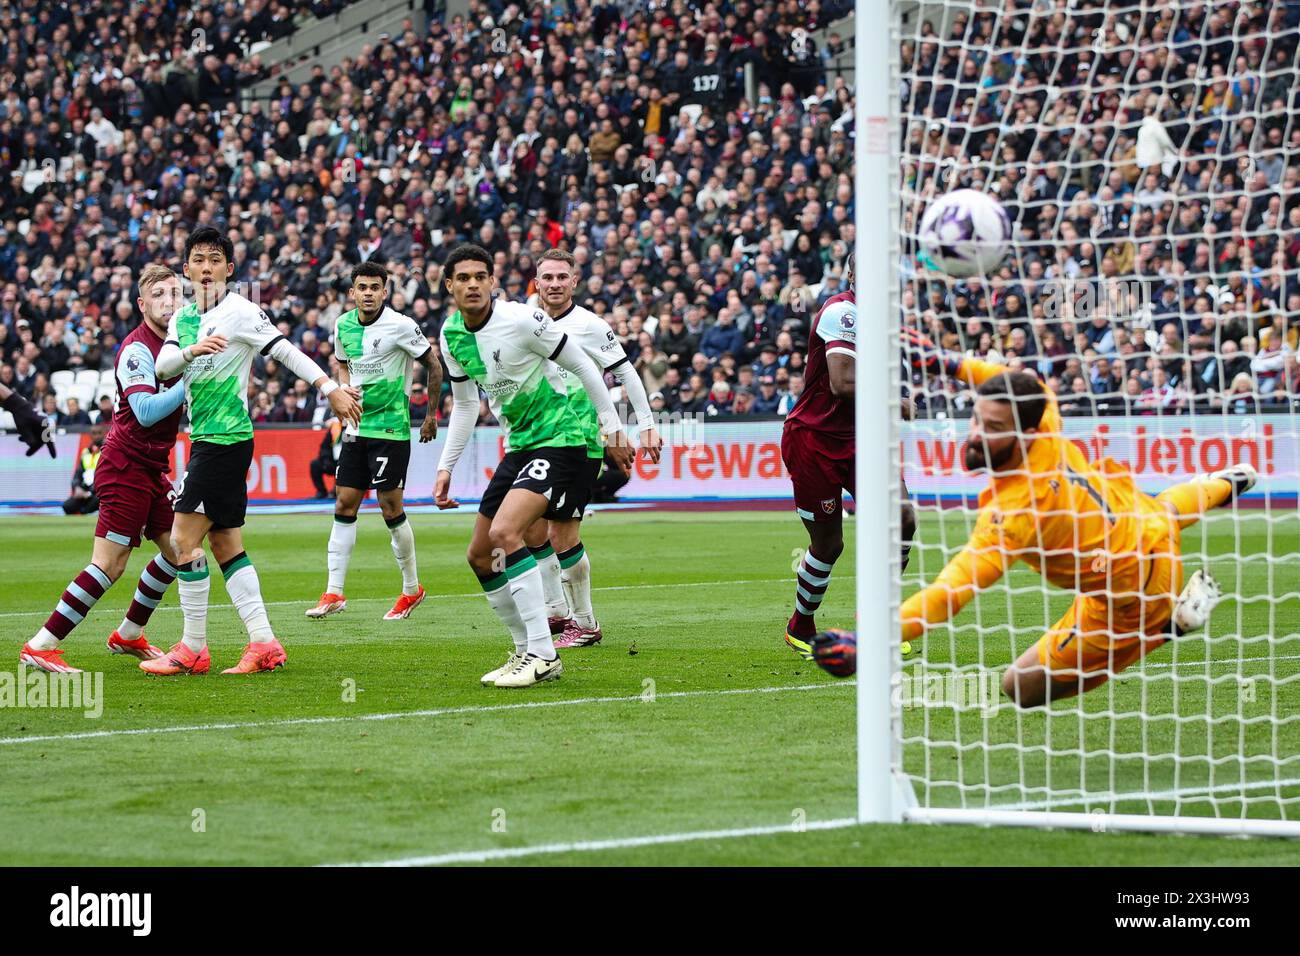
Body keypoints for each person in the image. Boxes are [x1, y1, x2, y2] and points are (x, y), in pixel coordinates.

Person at [894, 330, 1250, 706]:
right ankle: (1225, 484)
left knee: (1019, 687)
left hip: (1132, 599)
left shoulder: (1015, 514)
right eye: (977, 420)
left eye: (994, 428)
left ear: (1026, 435)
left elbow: (947, 594)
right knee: (1164, 511)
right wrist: (945, 362)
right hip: (1140, 521)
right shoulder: (1043, 417)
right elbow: (1005, 378)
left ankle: (1168, 626)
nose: (976, 435)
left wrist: (874, 636)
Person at [142, 227, 361, 676]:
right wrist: (192, 351)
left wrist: (330, 388)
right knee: (225, 544)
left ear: (229, 269)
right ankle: (264, 642)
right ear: (186, 270)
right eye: (198, 260)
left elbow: (286, 352)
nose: (206, 268)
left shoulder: (241, 311)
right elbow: (162, 367)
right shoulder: (183, 319)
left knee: (182, 541)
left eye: (215, 260)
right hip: (207, 439)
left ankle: (192, 648)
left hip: (225, 441)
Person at [433, 244, 633, 688]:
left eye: (480, 276)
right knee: (480, 556)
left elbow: (583, 366)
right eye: (463, 278)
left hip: (561, 440)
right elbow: (465, 405)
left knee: (508, 533)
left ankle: (544, 654)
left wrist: (613, 429)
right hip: (520, 446)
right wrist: (446, 466)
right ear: (449, 286)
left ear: (492, 281)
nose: (472, 285)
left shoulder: (523, 319)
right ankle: (525, 649)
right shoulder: (451, 335)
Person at [19, 265, 195, 673]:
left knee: (180, 550)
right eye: (159, 295)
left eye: (175, 293)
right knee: (110, 564)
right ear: (142, 304)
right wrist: (191, 380)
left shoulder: (179, 343)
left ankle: (129, 633)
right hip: (124, 466)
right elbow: (145, 411)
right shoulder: (137, 349)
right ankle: (41, 645)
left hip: (151, 468)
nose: (169, 302)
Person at [780, 254, 916, 660]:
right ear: (853, 275)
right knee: (829, 544)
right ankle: (801, 625)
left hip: (863, 439)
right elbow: (841, 383)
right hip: (814, 440)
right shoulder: (842, 311)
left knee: (903, 518)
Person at [523, 248, 661, 647]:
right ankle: (555, 610)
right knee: (531, 527)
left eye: (561, 277)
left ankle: (584, 623)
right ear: (537, 282)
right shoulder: (523, 321)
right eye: (547, 277)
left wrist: (646, 426)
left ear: (574, 281)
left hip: (578, 441)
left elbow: (626, 373)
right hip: (533, 438)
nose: (554, 284)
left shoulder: (590, 325)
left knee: (561, 533)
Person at [307, 262, 442, 622]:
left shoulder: (401, 325)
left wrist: (430, 415)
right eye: (362, 287)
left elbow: (434, 364)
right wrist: (343, 389)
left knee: (389, 506)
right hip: (356, 428)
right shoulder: (342, 325)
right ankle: (334, 591)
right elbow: (342, 363)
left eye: (374, 287)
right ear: (352, 292)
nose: (367, 293)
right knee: (344, 501)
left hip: (391, 430)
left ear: (385, 291)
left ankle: (411, 589)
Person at [62, 423, 105, 515]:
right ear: (90, 435)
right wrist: (77, 488)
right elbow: (78, 474)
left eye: (99, 433)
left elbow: (106, 477)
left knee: (98, 501)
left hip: (98, 492)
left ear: (104, 434)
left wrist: (89, 493)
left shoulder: (107, 451)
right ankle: (84, 509)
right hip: (84, 490)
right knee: (67, 506)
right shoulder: (85, 452)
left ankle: (85, 510)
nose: (97, 436)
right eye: (94, 433)